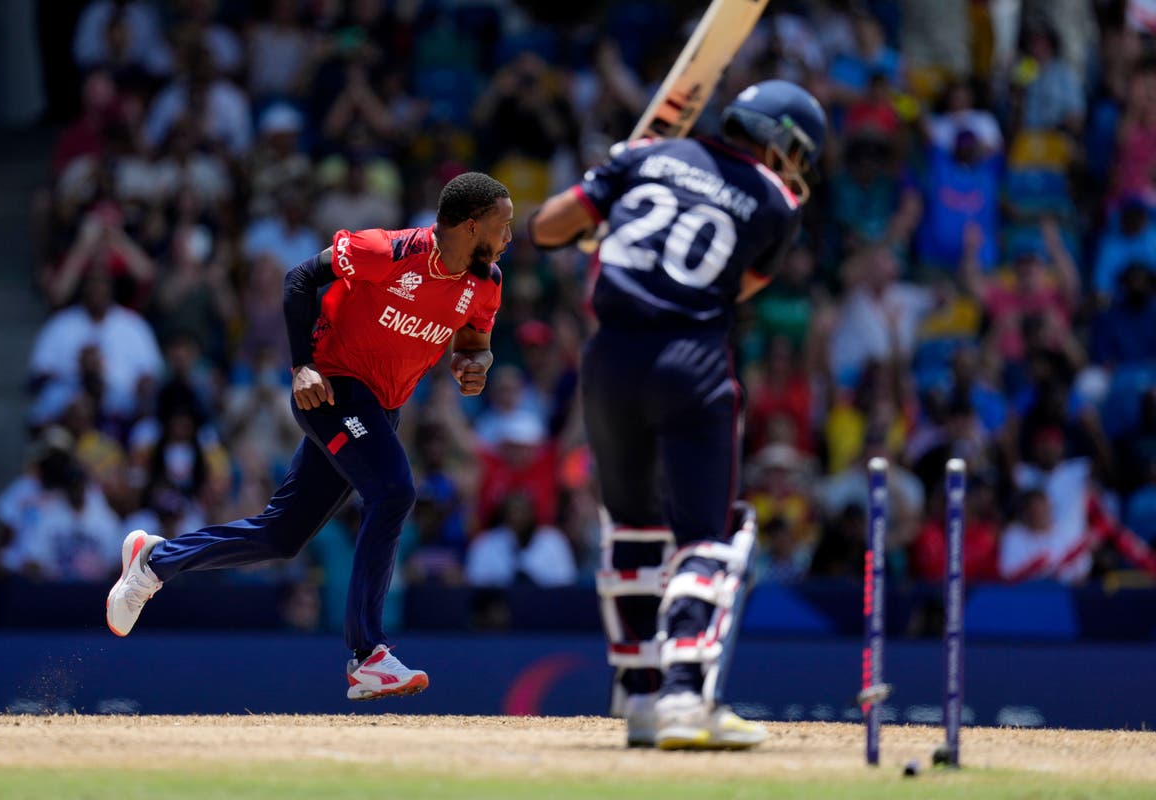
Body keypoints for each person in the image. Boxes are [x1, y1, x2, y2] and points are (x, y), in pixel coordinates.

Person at [106, 172, 513, 701]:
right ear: (470, 225)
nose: (509, 237)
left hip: (380, 410)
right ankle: (368, 655)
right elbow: (298, 279)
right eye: (503, 226)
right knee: (394, 492)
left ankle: (156, 562)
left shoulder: (487, 282)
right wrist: (302, 367)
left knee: (282, 536)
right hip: (331, 392)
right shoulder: (385, 251)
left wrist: (472, 365)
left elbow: (474, 343)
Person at [530, 80, 825, 749]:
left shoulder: (639, 159)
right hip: (689, 361)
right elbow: (737, 285)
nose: (795, 172)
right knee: (709, 536)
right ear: (781, 142)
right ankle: (685, 699)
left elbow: (546, 228)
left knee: (632, 531)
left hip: (606, 363)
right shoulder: (776, 204)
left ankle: (638, 701)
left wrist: (606, 200)